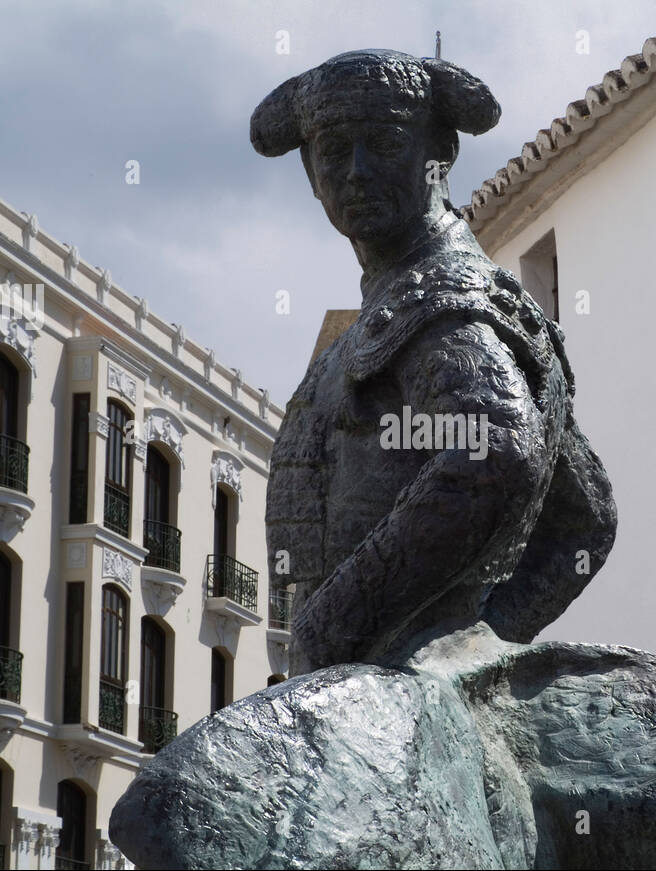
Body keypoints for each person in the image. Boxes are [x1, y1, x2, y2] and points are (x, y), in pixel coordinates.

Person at [251, 49, 616, 675]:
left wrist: (342, 632)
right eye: (334, 151)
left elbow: (493, 451)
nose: (357, 172)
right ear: (310, 173)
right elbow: (585, 519)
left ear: (438, 154)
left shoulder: (443, 301)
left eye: (387, 142)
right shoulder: (420, 303)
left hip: (371, 683)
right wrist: (474, 650)